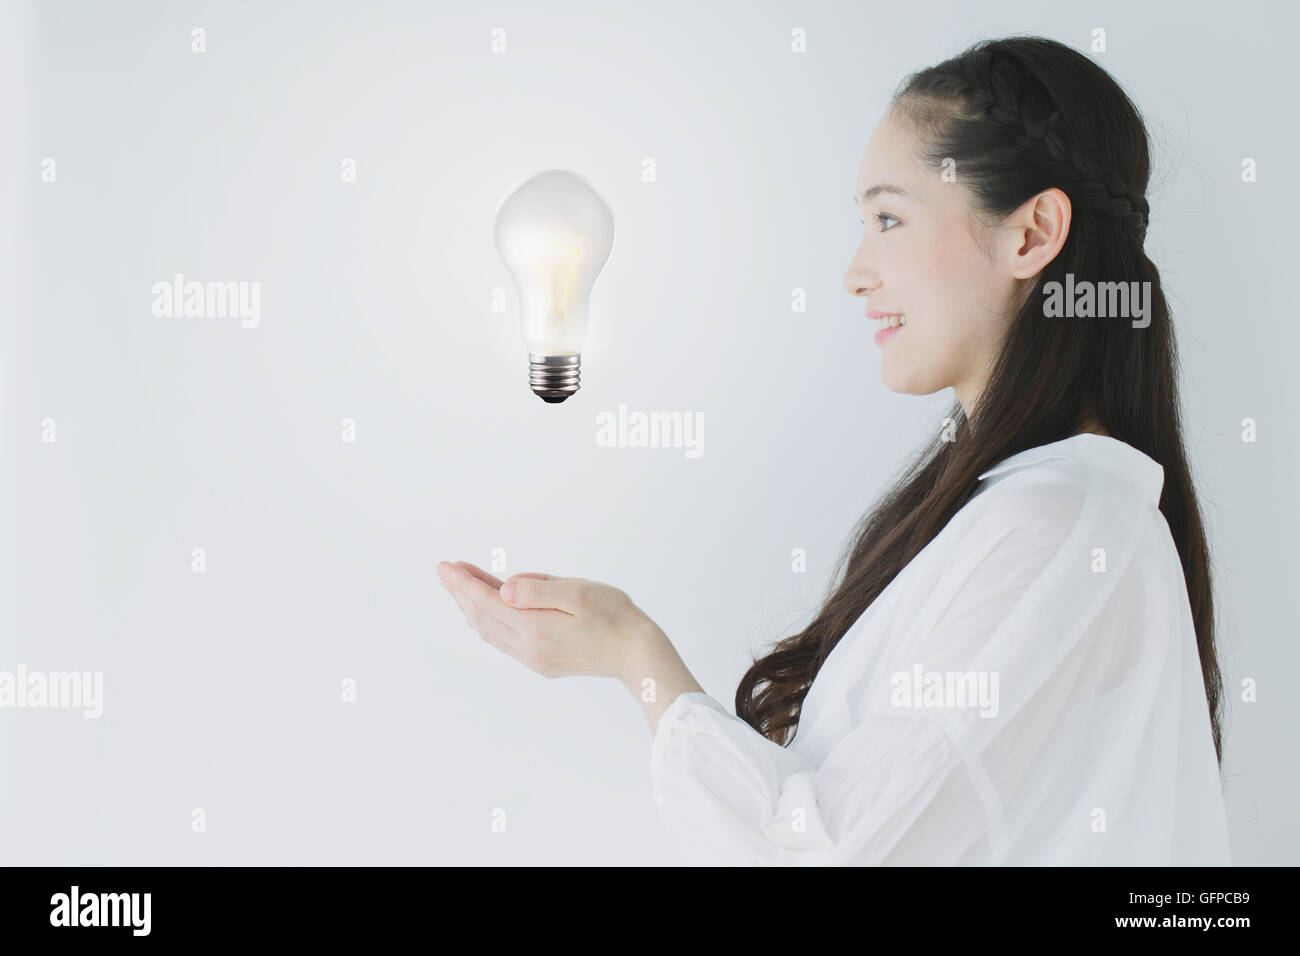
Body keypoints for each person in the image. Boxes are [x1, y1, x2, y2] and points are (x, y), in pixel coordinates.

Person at [437, 35, 1231, 866]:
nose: (856, 273)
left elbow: (831, 850)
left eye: (889, 218)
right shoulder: (1037, 518)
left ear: (1032, 234)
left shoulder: (1059, 527)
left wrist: (633, 653)